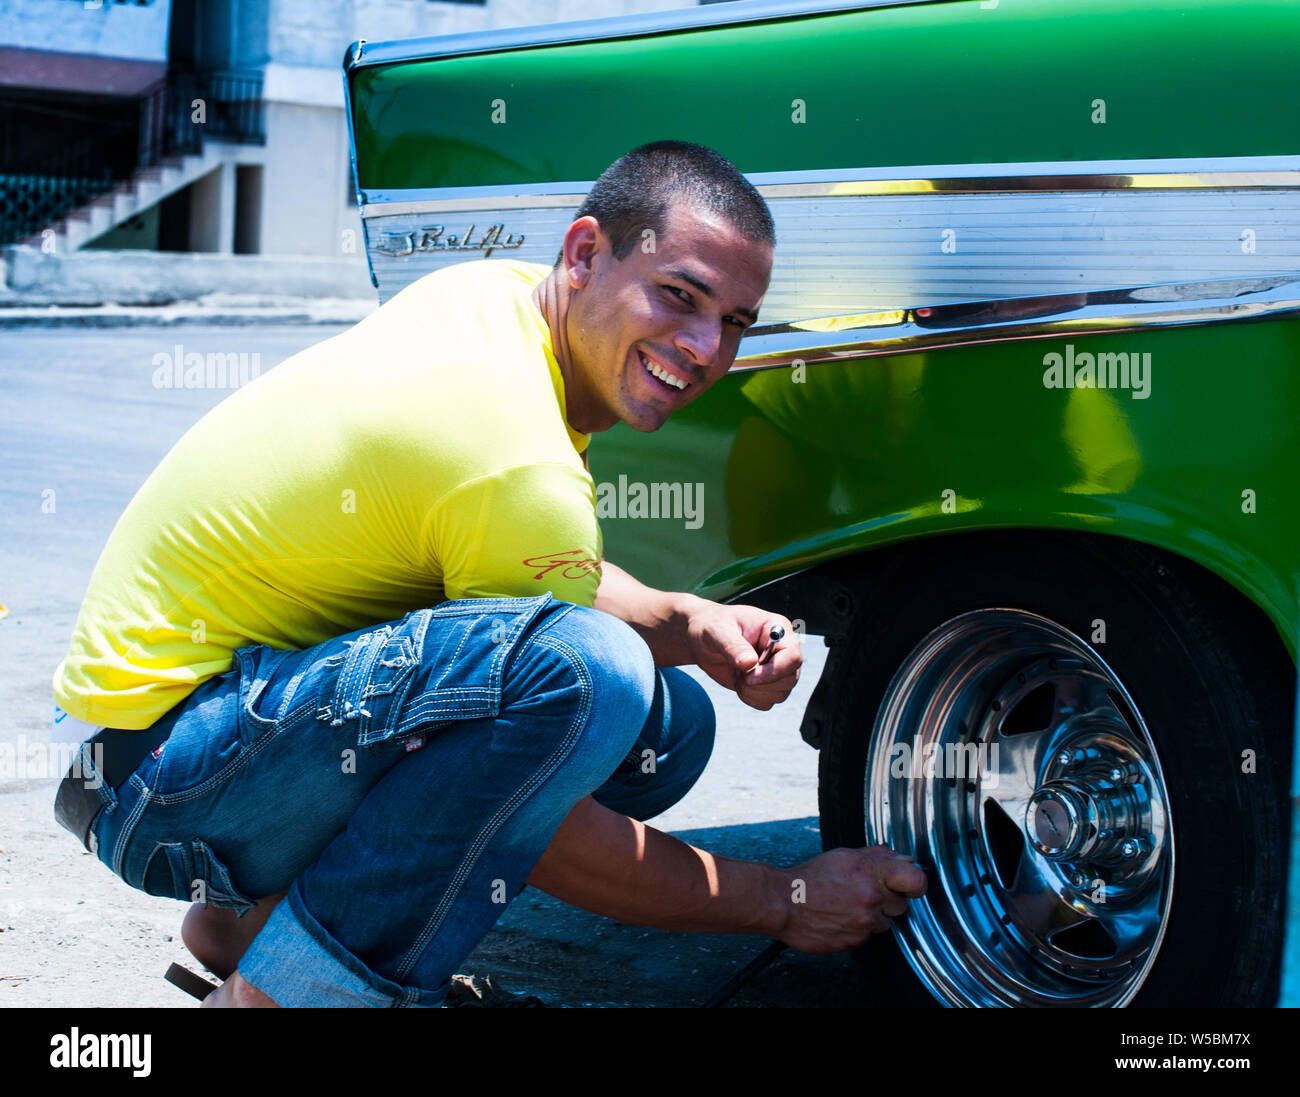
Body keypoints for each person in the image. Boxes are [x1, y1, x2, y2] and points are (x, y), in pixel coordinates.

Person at [51, 141, 925, 1008]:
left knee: (667, 722)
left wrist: (689, 621)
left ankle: (244, 926)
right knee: (592, 681)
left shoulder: (498, 298)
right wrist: (779, 899)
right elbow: (531, 806)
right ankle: (283, 994)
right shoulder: (516, 465)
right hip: (159, 775)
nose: (704, 347)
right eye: (680, 296)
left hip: (153, 734)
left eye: (734, 321)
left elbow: (533, 583)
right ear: (587, 253)